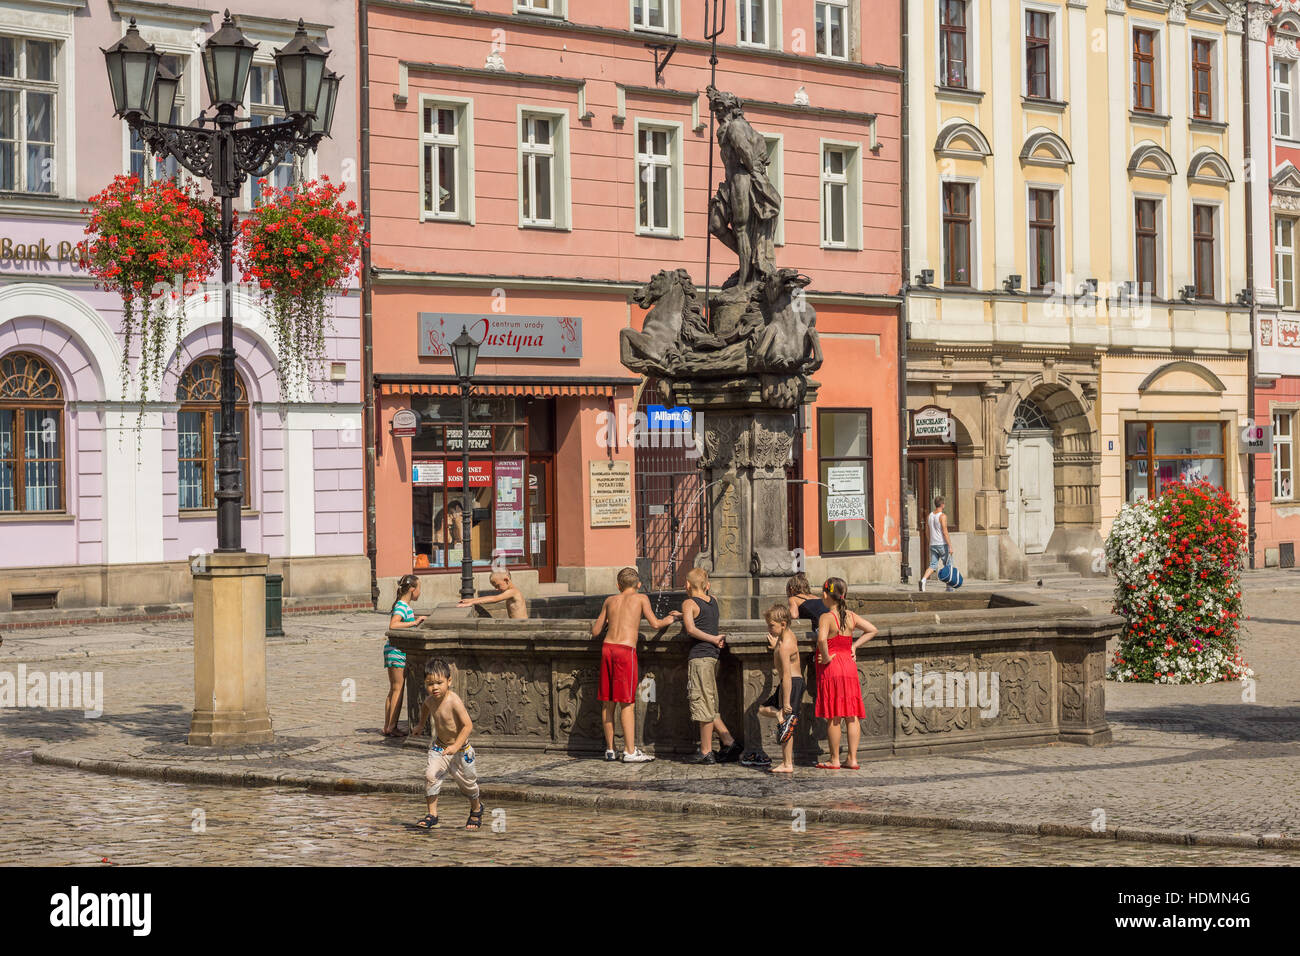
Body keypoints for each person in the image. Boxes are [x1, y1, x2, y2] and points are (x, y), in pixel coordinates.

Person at [591, 567, 681, 762]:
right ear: (639, 585)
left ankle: (610, 749)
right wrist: (671, 618)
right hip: (625, 651)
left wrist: (609, 620)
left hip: (608, 649)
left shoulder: (610, 600)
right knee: (626, 702)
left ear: (618, 586)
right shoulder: (641, 599)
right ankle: (630, 751)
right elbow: (655, 624)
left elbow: (596, 631)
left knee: (607, 701)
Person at [411, 658, 484, 831]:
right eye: (430, 684)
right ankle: (432, 814)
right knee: (430, 776)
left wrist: (456, 746)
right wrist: (421, 725)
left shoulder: (454, 701)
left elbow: (468, 726)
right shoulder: (430, 700)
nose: (434, 687)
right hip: (440, 748)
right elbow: (425, 708)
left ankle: (476, 808)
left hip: (461, 750)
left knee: (468, 784)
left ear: (449, 681)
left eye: (439, 683)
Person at [814, 577, 877, 770]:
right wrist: (855, 646)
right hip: (849, 666)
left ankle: (834, 760)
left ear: (826, 595)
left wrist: (825, 657)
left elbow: (822, 640)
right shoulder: (850, 616)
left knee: (834, 715)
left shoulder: (826, 617)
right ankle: (852, 759)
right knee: (852, 715)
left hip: (833, 667)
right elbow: (872, 630)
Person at [681, 567, 741, 764]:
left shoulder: (688, 603)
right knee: (709, 702)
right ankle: (728, 741)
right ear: (707, 586)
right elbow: (702, 617)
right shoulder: (713, 600)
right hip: (712, 658)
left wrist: (714, 639)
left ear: (687, 585)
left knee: (702, 703)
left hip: (699, 657)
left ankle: (706, 751)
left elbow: (691, 629)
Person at [757, 604, 803, 774]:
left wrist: (785, 702)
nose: (769, 629)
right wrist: (775, 644)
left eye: (771, 626)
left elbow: (787, 675)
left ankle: (787, 763)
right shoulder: (784, 639)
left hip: (792, 684)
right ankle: (778, 715)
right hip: (788, 683)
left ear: (783, 624)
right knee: (762, 709)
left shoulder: (785, 646)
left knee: (786, 724)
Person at [383, 574, 427, 738]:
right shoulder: (402, 606)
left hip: (393, 650)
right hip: (397, 651)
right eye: (419, 589)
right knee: (397, 689)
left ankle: (387, 725)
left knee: (393, 689)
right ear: (412, 589)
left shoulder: (404, 606)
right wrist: (415, 623)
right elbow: (394, 625)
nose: (420, 592)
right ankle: (391, 727)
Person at [787, 572, 827, 701]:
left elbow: (793, 615)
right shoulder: (816, 597)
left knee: (819, 662)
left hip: (819, 630)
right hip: (831, 627)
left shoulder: (794, 599)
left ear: (792, 588)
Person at [457, 570, 528, 619]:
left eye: (497, 585)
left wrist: (472, 602)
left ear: (506, 580)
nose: (496, 589)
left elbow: (495, 598)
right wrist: (471, 600)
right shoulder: (511, 592)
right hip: (518, 625)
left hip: (523, 627)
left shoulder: (513, 592)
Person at [920, 495, 954, 592]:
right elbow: (945, 531)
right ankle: (949, 587)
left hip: (933, 544)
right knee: (948, 565)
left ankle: (923, 580)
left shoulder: (929, 516)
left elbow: (927, 531)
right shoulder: (942, 516)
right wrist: (950, 546)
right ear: (942, 505)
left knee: (933, 565)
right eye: (944, 504)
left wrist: (930, 541)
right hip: (942, 544)